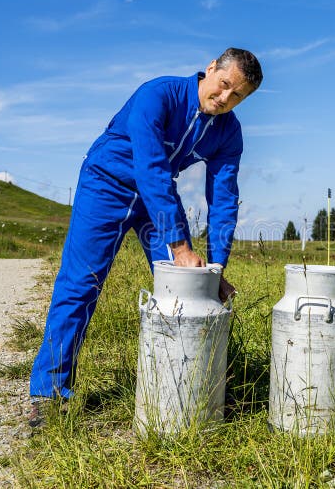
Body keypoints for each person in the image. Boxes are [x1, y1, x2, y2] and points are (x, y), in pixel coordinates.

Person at [28, 48, 263, 424]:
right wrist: (181, 246)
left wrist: (216, 267)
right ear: (210, 70)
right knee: (81, 283)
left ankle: (190, 388)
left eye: (237, 96)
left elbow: (224, 198)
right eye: (222, 87)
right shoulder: (158, 95)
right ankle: (49, 392)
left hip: (157, 199)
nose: (224, 100)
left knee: (192, 289)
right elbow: (150, 168)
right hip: (107, 185)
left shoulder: (228, 131)